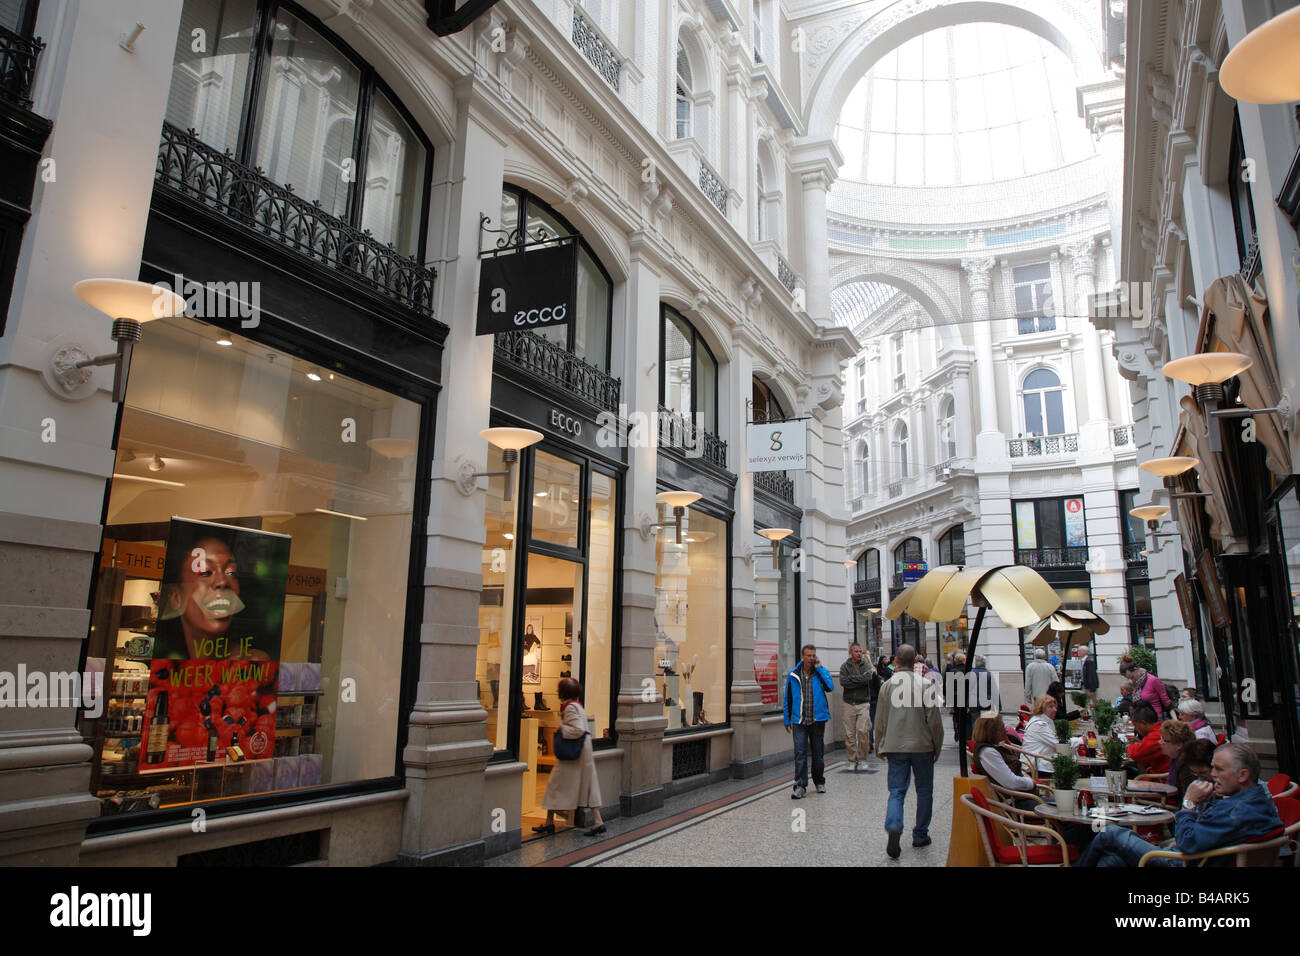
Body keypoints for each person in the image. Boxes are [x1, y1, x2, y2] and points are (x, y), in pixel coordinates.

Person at [1075, 743, 1282, 866]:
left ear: (1243, 775)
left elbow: (1188, 842)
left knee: (1109, 833)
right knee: (1109, 861)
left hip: (1182, 862)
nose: (1212, 775)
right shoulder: (1255, 800)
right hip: (1195, 855)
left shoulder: (1238, 810)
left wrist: (1189, 803)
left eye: (1219, 769)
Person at [874, 644, 944, 858]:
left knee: (896, 791)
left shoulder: (887, 686)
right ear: (916, 662)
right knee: (924, 791)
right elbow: (934, 721)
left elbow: (879, 720)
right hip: (922, 746)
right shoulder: (925, 685)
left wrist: (879, 746)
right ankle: (920, 834)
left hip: (895, 746)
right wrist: (937, 746)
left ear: (895, 660)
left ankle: (894, 825)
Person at [533, 678, 606, 837]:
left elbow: (578, 730)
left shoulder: (570, 708)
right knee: (587, 784)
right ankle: (597, 821)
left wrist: (562, 728)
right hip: (583, 750)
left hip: (574, 751)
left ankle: (549, 821)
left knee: (555, 783)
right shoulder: (577, 706)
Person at [783, 644, 834, 798]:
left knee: (818, 754)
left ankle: (819, 781)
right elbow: (788, 699)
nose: (812, 658)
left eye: (814, 656)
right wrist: (787, 719)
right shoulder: (793, 675)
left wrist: (820, 669)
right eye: (809, 656)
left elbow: (830, 687)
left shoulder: (820, 673)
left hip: (818, 720)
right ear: (802, 657)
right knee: (800, 753)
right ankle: (800, 785)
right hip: (800, 721)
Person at [971, 715, 1036, 805]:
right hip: (1014, 802)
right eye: (1002, 727)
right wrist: (1031, 783)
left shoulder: (991, 749)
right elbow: (1011, 782)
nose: (1006, 730)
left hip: (1019, 796)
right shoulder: (988, 752)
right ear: (992, 732)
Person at [839, 642, 875, 772]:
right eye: (856, 651)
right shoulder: (845, 666)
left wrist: (853, 680)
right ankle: (851, 760)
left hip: (863, 703)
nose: (859, 653)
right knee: (849, 734)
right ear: (850, 652)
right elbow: (843, 682)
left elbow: (868, 678)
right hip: (849, 703)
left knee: (863, 732)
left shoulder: (865, 665)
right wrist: (859, 680)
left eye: (860, 651)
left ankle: (863, 759)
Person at [1020, 694, 1060, 776]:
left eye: (1055, 707)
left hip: (1042, 762)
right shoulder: (1039, 725)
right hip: (1037, 767)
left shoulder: (1042, 720)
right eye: (1051, 707)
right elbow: (1058, 744)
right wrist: (1081, 740)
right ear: (1042, 709)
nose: (1055, 710)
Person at [1126, 702, 1170, 775]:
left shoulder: (1156, 734)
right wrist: (1141, 743)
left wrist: (1128, 747)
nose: (1136, 729)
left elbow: (1137, 754)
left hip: (1159, 778)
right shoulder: (1160, 728)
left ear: (1143, 723)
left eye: (1136, 726)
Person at [1156, 719, 1196, 798]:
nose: (1159, 742)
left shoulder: (1186, 766)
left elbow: (1186, 798)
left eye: (1164, 740)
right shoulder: (1176, 757)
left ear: (1178, 745)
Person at [869, 655, 892, 748]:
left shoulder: (876, 672)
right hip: (872, 699)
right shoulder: (875, 671)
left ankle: (870, 741)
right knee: (872, 721)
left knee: (871, 721)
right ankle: (870, 741)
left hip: (871, 699)